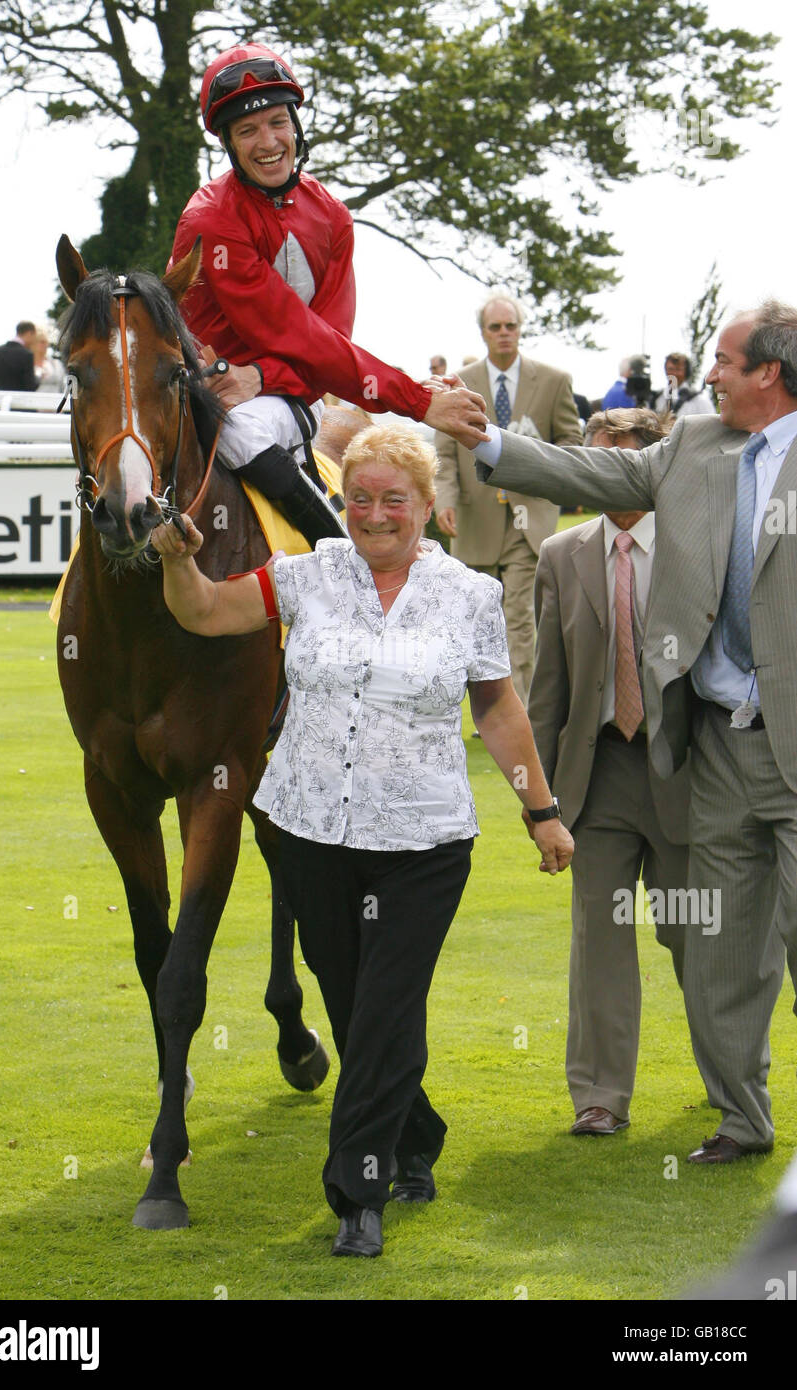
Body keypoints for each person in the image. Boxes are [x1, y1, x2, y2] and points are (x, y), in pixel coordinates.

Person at [153, 422, 574, 1256]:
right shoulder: (304, 576)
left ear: (427, 505)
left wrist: (540, 810)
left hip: (423, 841)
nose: (374, 515)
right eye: (359, 500)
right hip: (311, 831)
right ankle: (417, 1134)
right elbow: (202, 610)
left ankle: (359, 1191)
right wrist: (175, 556)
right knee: (350, 1005)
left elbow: (495, 705)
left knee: (383, 1009)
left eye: (393, 500)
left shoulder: (468, 596)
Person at [472, 299, 797, 1164]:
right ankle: (739, 1122)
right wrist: (488, 443)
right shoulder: (693, 448)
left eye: (725, 361)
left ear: (768, 371)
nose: (710, 373)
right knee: (721, 949)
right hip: (718, 747)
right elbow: (592, 479)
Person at [168, 43, 486, 548]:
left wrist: (263, 376)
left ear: (296, 125)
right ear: (229, 144)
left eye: (277, 122)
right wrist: (417, 399)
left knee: (241, 432)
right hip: (202, 397)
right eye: (247, 131)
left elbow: (327, 341)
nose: (268, 141)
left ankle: (341, 558)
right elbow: (297, 334)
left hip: (291, 394)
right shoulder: (211, 220)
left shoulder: (333, 215)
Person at [528, 408, 688, 1138]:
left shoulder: (698, 546)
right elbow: (547, 692)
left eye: (617, 460)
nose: (599, 474)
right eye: (590, 461)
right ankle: (599, 1097)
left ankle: (729, 1087)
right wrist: (540, 804)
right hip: (594, 780)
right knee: (599, 938)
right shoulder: (561, 556)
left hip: (688, 775)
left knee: (700, 936)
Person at [433, 292, 582, 700]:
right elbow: (444, 452)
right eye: (495, 327)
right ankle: (486, 706)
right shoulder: (458, 383)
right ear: (483, 332)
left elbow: (571, 442)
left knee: (519, 619)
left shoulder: (553, 381)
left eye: (510, 326)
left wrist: (548, 475)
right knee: (477, 619)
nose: (504, 334)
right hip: (473, 518)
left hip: (528, 517)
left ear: (520, 329)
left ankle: (523, 714)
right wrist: (443, 499)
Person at [653, 351, 715, 419]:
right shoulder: (658, 398)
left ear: (686, 372)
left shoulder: (699, 399)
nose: (674, 373)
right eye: (670, 369)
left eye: (678, 369)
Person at [0, 321, 39, 392]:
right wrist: (38, 377)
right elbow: (30, 386)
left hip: (1, 399)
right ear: (29, 333)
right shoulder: (27, 354)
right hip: (21, 400)